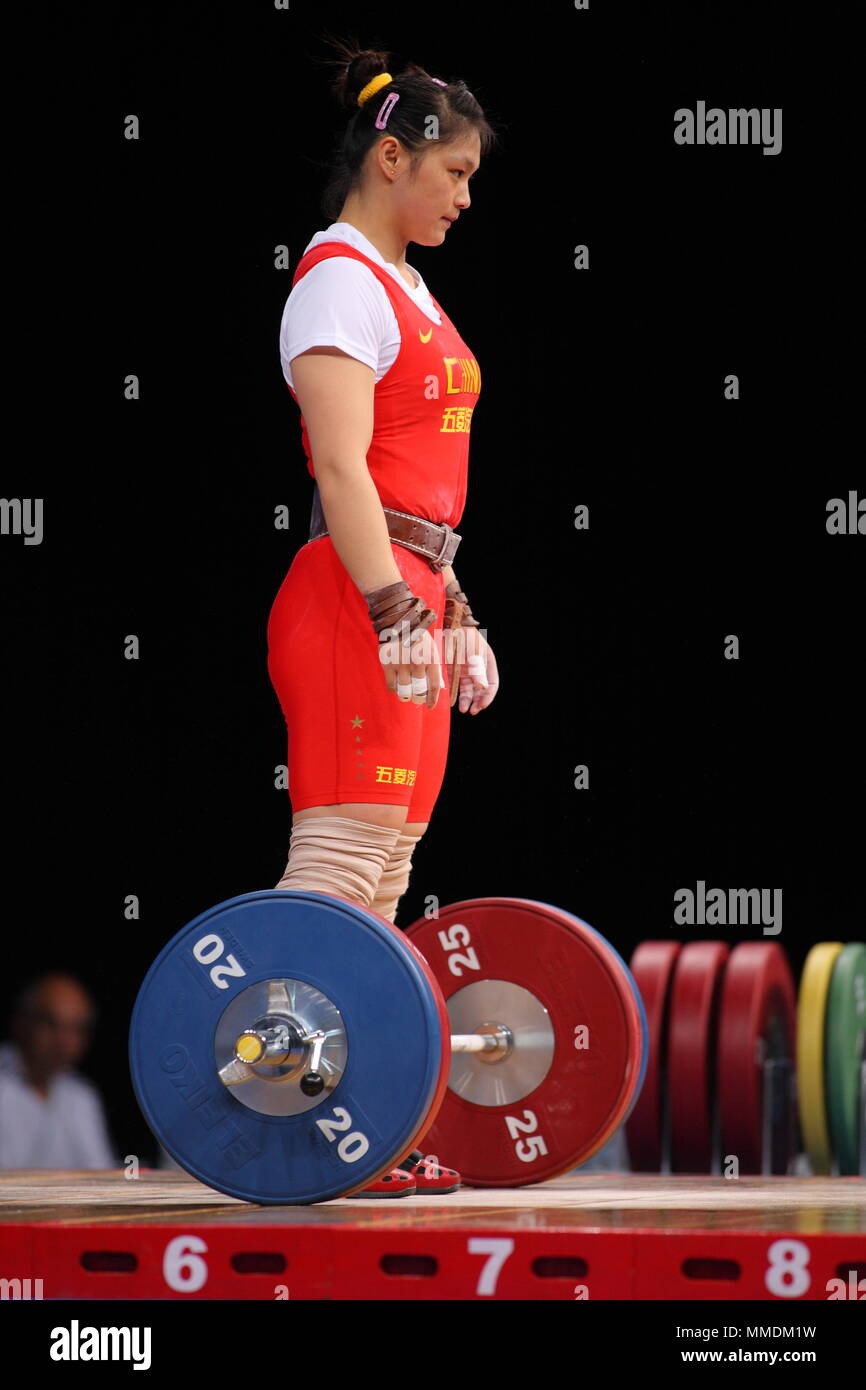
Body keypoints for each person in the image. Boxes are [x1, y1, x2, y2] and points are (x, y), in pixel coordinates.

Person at [267, 43, 500, 1195]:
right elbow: (345, 471)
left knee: (384, 875)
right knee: (342, 862)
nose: (463, 196)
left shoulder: (405, 281)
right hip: (351, 600)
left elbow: (420, 492)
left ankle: (350, 1134)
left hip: (407, 594)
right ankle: (271, 1105)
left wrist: (455, 610)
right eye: (450, 171)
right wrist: (392, 604)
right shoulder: (338, 280)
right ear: (391, 156)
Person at [0, 973, 116, 1169]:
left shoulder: (82, 1097)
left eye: (77, 1029)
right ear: (22, 1021)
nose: (64, 1041)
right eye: (52, 1024)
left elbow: (101, 1171)